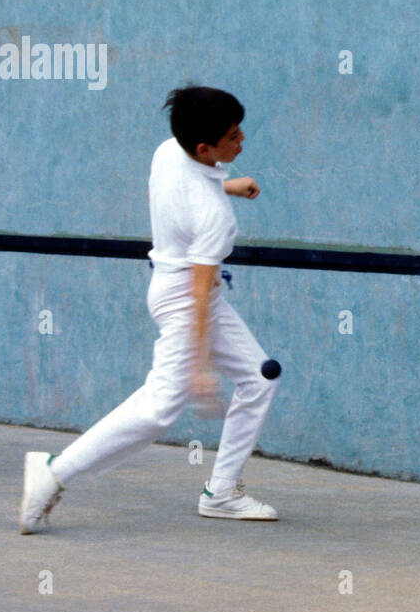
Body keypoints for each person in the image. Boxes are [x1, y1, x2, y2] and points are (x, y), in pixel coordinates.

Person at [19, 85, 280, 533]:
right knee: (160, 407)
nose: (242, 142)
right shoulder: (215, 217)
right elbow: (200, 294)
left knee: (258, 378)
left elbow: (194, 181)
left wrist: (230, 183)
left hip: (172, 284)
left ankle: (221, 492)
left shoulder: (168, 151)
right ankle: (54, 472)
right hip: (186, 299)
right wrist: (199, 366)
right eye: (233, 136)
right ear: (204, 147)